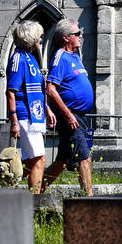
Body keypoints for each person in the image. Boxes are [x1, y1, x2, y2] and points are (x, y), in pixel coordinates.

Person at [42, 18, 95, 197]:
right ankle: (90, 202)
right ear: (66, 38)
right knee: (84, 158)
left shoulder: (75, 57)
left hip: (80, 116)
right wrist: (68, 115)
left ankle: (35, 192)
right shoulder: (60, 57)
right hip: (72, 118)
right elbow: (50, 89)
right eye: (77, 33)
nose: (81, 36)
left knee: (61, 162)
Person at [6, 21, 55, 191]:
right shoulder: (18, 59)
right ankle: (34, 202)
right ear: (31, 38)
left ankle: (6, 187)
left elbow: (38, 90)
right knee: (40, 160)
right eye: (39, 36)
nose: (41, 40)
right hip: (25, 116)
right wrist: (14, 122)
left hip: (35, 115)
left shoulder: (30, 57)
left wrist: (47, 109)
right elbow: (11, 92)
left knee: (29, 161)